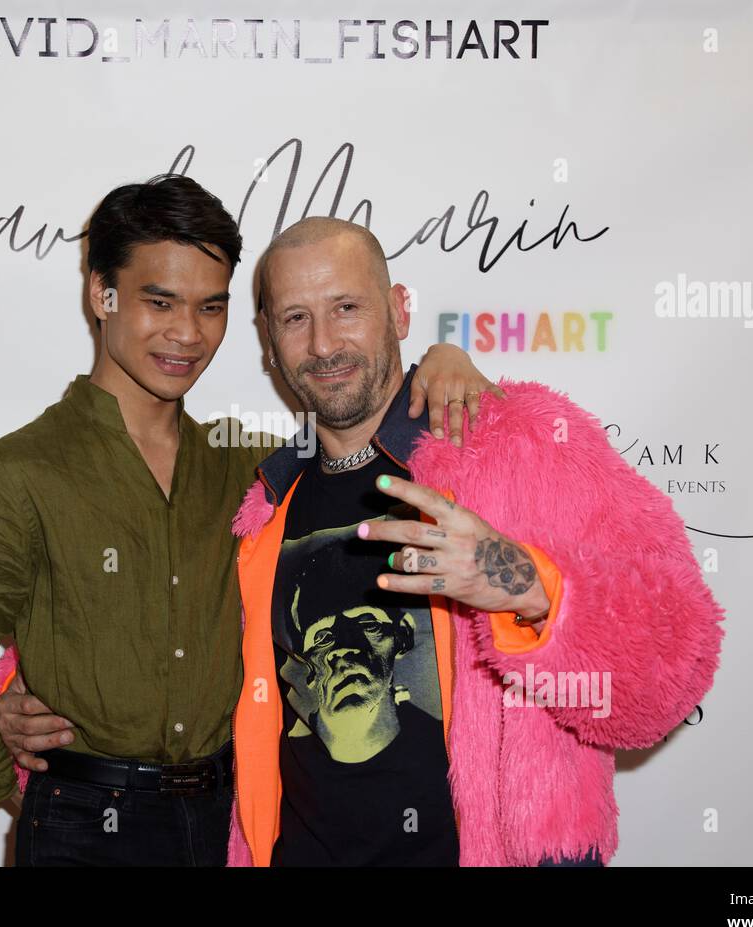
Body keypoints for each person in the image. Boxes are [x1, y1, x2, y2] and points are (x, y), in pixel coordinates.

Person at [0, 176, 501, 867]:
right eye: (160, 302)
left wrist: (443, 363)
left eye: (210, 307)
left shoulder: (246, 470)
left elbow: (358, 419)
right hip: (83, 826)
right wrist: (21, 786)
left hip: (222, 822)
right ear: (101, 294)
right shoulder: (18, 472)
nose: (186, 332)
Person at [224, 216, 725, 865]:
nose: (323, 343)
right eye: (295, 318)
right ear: (269, 342)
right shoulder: (265, 509)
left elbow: (680, 659)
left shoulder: (518, 446)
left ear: (400, 310)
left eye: (346, 307)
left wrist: (526, 584)